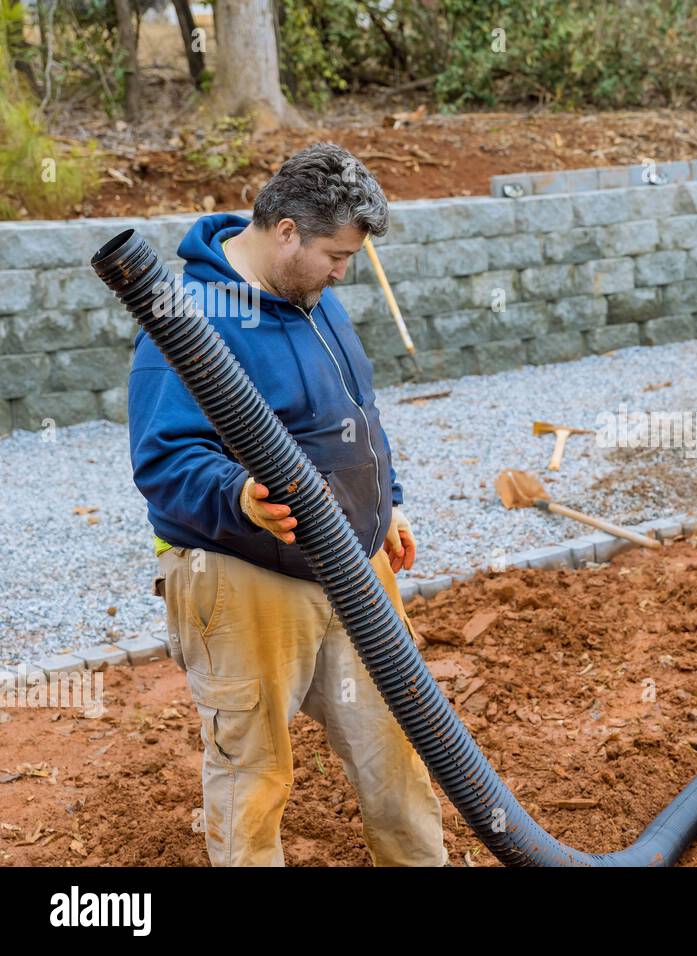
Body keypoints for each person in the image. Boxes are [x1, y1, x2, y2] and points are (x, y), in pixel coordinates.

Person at [128, 142, 448, 867]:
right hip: (247, 578)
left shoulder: (314, 299)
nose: (345, 273)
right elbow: (162, 460)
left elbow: (355, 409)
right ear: (286, 232)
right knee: (254, 778)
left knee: (400, 751)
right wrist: (240, 495)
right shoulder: (187, 320)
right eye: (336, 255)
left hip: (354, 569)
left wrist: (384, 502)